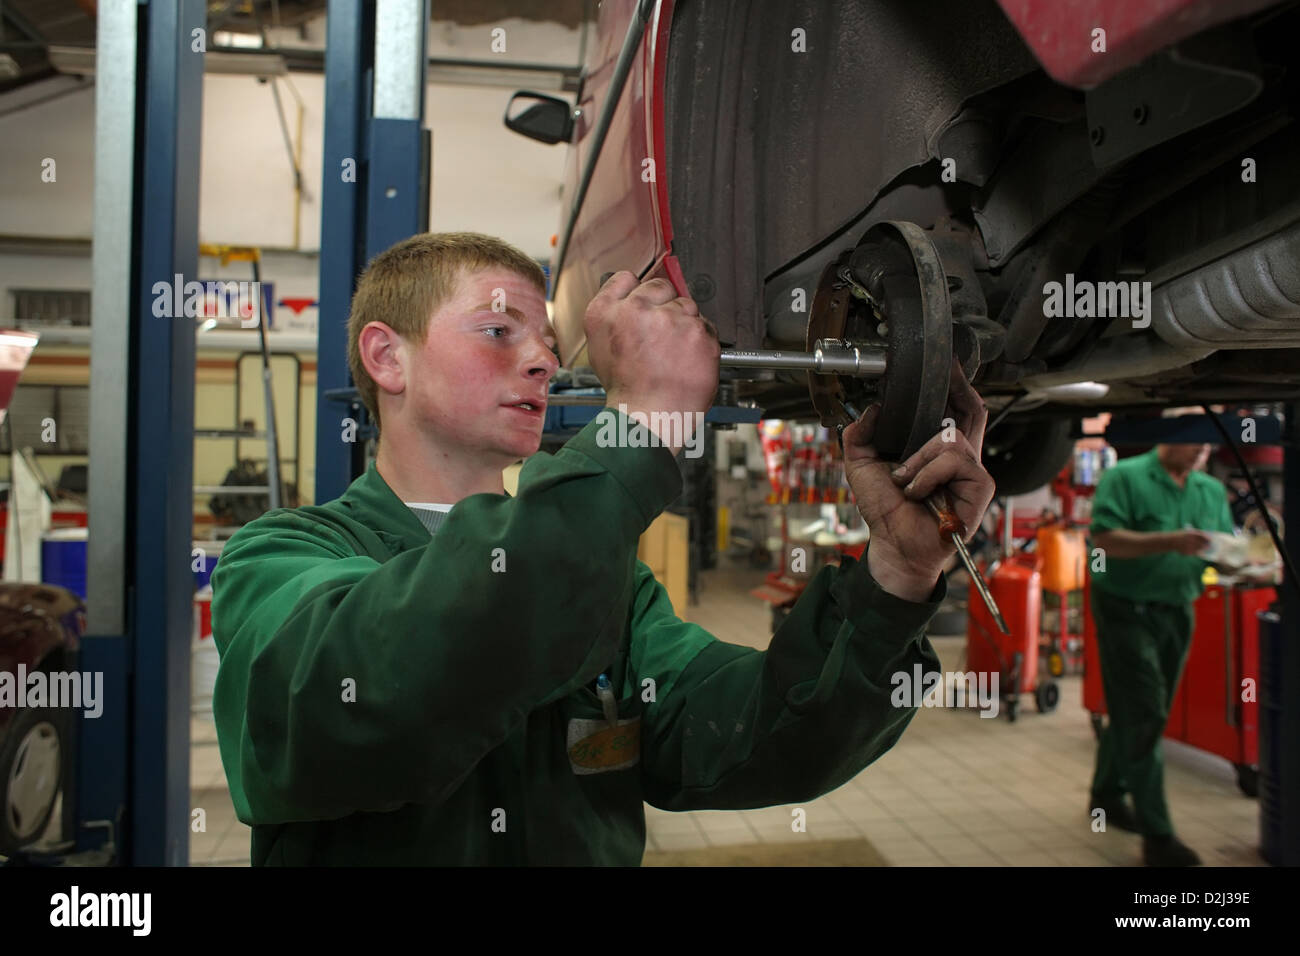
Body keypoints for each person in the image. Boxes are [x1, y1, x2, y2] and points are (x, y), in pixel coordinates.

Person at [209, 231, 995, 865]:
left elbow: (758, 738)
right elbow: (379, 687)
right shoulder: (278, 561)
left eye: (549, 345)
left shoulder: (609, 588)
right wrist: (641, 426)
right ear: (388, 358)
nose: (543, 361)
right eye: (496, 331)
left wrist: (896, 573)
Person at [1087, 438, 1235, 866]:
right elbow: (1105, 542)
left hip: (1178, 610)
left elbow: (1219, 551)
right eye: (1194, 441)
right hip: (1124, 609)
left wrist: (1248, 564)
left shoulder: (1209, 490)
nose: (1202, 451)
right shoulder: (1125, 477)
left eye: (1208, 445)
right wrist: (1170, 542)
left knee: (1138, 711)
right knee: (1146, 714)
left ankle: (1107, 794)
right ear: (1168, 435)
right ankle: (1158, 836)